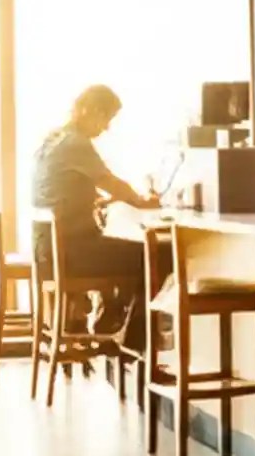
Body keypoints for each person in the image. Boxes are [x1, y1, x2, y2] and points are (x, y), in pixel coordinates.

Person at [31, 85, 162, 349]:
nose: (106, 128)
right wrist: (141, 202)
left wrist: (95, 200)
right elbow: (109, 181)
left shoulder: (53, 138)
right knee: (156, 255)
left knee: (130, 253)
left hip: (47, 248)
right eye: (106, 118)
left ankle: (112, 318)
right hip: (72, 250)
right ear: (87, 111)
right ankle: (130, 340)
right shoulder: (76, 143)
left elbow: (59, 189)